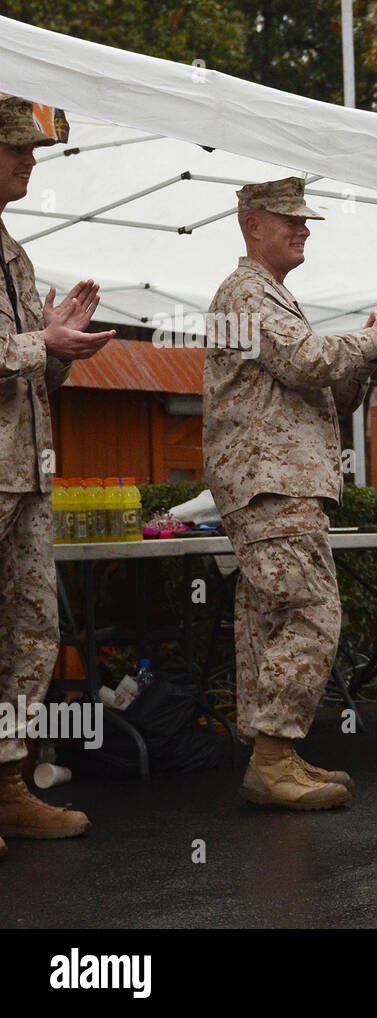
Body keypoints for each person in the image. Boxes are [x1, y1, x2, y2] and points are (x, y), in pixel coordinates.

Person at [204, 177, 377, 810]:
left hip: (280, 481)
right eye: (289, 220)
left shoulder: (272, 295)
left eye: (306, 220)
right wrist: (373, 340)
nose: (303, 229)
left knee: (271, 620)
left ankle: (273, 757)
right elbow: (306, 363)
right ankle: (273, 757)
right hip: (272, 482)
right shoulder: (247, 292)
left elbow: (324, 392)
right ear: (251, 225)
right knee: (309, 613)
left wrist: (370, 356)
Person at [0, 96, 113, 853]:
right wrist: (43, 340)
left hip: (24, 480)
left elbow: (29, 374)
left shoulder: (15, 252)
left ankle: (9, 782)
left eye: (31, 150)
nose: (28, 161)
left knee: (31, 633)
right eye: (15, 149)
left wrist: (59, 347)